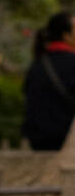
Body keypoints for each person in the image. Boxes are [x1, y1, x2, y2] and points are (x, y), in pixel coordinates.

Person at [22, 10, 75, 151]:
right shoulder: (72, 63)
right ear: (66, 36)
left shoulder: (37, 65)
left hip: (39, 144)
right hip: (68, 144)